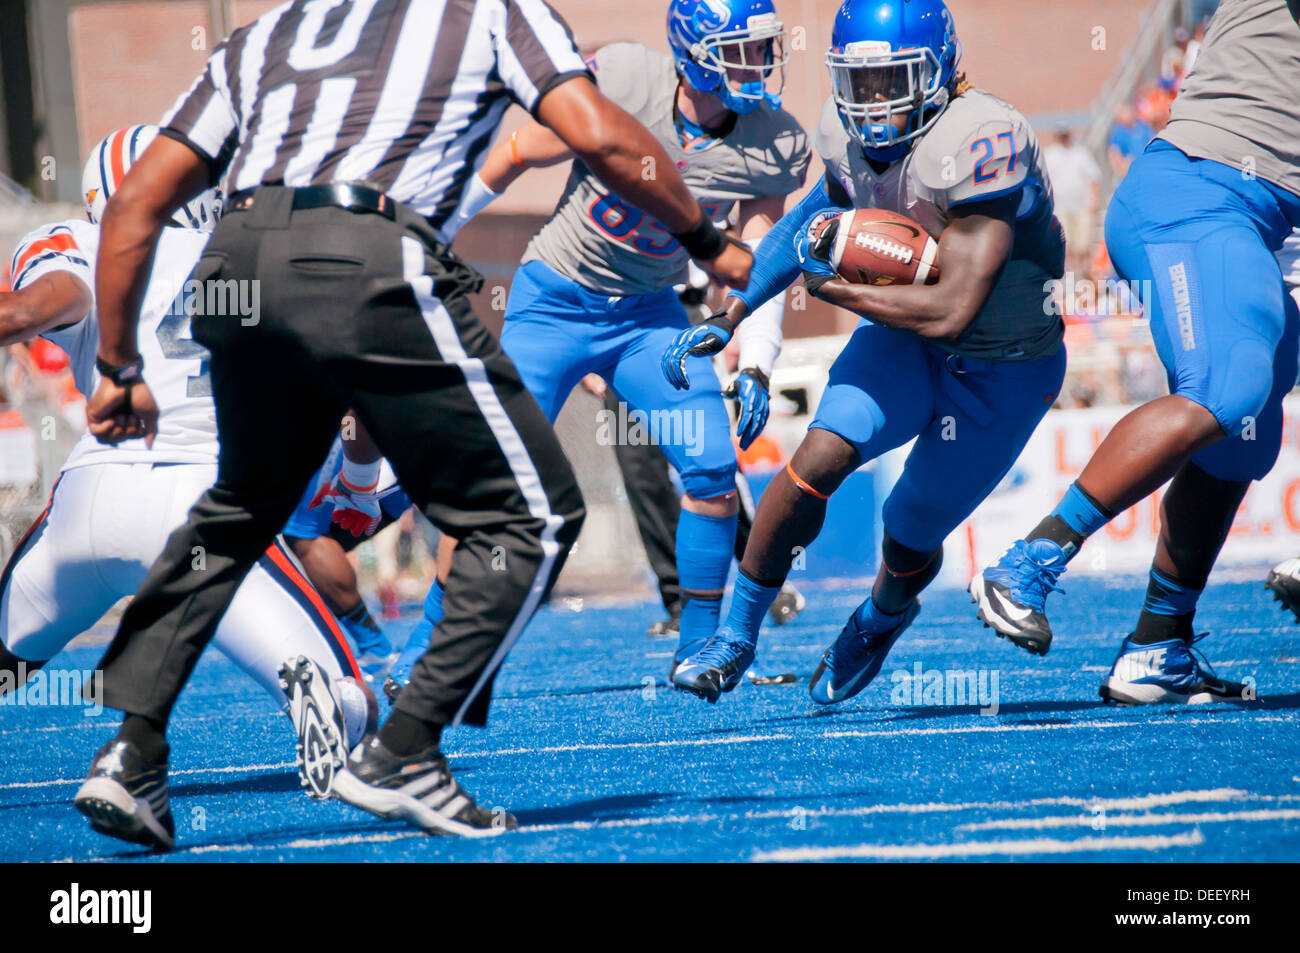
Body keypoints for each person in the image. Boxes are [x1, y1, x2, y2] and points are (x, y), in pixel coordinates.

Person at [73, 0, 751, 848]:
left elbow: (135, 202)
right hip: (367, 251)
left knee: (238, 508)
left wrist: (115, 367)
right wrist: (703, 238)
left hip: (242, 257)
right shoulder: (489, 14)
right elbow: (603, 135)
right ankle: (405, 750)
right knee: (533, 514)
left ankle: (131, 750)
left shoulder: (269, 34)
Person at [664, 0, 1067, 705]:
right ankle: (735, 636)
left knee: (909, 530)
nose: (873, 102)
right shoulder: (843, 135)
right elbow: (805, 223)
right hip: (906, 342)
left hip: (1004, 364)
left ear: (938, 70)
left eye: (891, 81)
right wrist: (734, 314)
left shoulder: (980, 138)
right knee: (817, 458)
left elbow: (950, 308)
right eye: (861, 82)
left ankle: (879, 617)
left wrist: (834, 290)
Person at [0, 130, 374, 815]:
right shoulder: (268, 252)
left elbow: (22, 313)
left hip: (85, 506)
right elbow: (362, 395)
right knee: (349, 697)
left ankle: (134, 764)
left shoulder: (87, 247)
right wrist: (353, 482)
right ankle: (307, 716)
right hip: (199, 511)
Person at [466, 0, 809, 679]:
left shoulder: (775, 140)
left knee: (713, 468)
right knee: (498, 483)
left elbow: (762, 259)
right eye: (740, 49)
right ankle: (423, 652)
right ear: (692, 53)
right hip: (553, 301)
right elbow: (514, 154)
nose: (759, 63)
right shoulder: (623, 78)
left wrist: (759, 361)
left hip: (646, 317)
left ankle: (700, 646)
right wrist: (430, 232)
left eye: (762, 47)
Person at [973, 0, 1300, 706]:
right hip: (1199, 196)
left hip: (1254, 221)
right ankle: (1027, 562)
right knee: (1228, 389)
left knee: (1246, 438)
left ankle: (1158, 644)